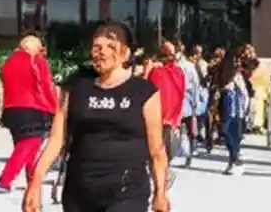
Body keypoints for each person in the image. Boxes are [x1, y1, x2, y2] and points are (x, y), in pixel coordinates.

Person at [24, 20, 170, 212]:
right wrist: (35, 183)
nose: (102, 52)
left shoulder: (144, 92)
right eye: (96, 47)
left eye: (110, 46)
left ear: (125, 53)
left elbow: (156, 150)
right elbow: (55, 140)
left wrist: (161, 192)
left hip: (126, 192)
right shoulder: (75, 87)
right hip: (79, 192)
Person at [0, 34, 59, 193]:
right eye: (40, 48)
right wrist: (55, 107)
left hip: (11, 109)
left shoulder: (9, 62)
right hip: (32, 108)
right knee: (30, 144)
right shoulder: (36, 60)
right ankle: (6, 178)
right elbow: (46, 85)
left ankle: (33, 178)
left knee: (26, 146)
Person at [145, 41, 187, 184]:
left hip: (159, 118)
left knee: (157, 150)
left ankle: (162, 178)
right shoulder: (176, 72)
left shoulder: (157, 71)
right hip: (166, 118)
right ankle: (163, 176)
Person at [210, 47, 251, 176]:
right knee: (226, 130)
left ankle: (234, 159)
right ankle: (234, 158)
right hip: (228, 103)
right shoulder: (223, 72)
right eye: (235, 60)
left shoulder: (238, 76)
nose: (237, 63)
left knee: (234, 132)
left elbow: (245, 93)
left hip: (236, 105)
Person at [175, 41, 204, 163]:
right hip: (179, 96)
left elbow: (196, 84)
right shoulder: (175, 66)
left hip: (186, 96)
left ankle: (190, 151)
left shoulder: (186, 66)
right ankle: (183, 149)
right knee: (181, 125)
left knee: (188, 125)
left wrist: (195, 100)